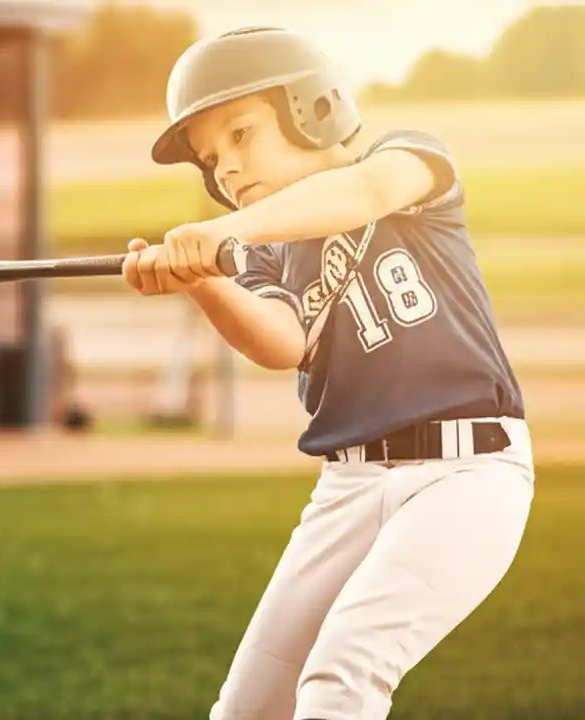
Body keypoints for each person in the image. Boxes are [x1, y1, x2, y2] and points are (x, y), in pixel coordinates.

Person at [124, 27, 533, 719]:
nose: (225, 170)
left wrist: (222, 235)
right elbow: (283, 343)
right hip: (348, 485)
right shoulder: (268, 253)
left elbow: (366, 192)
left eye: (241, 134)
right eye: (212, 159)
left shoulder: (404, 158)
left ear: (312, 107)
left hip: (468, 473)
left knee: (344, 672)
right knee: (248, 707)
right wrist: (202, 282)